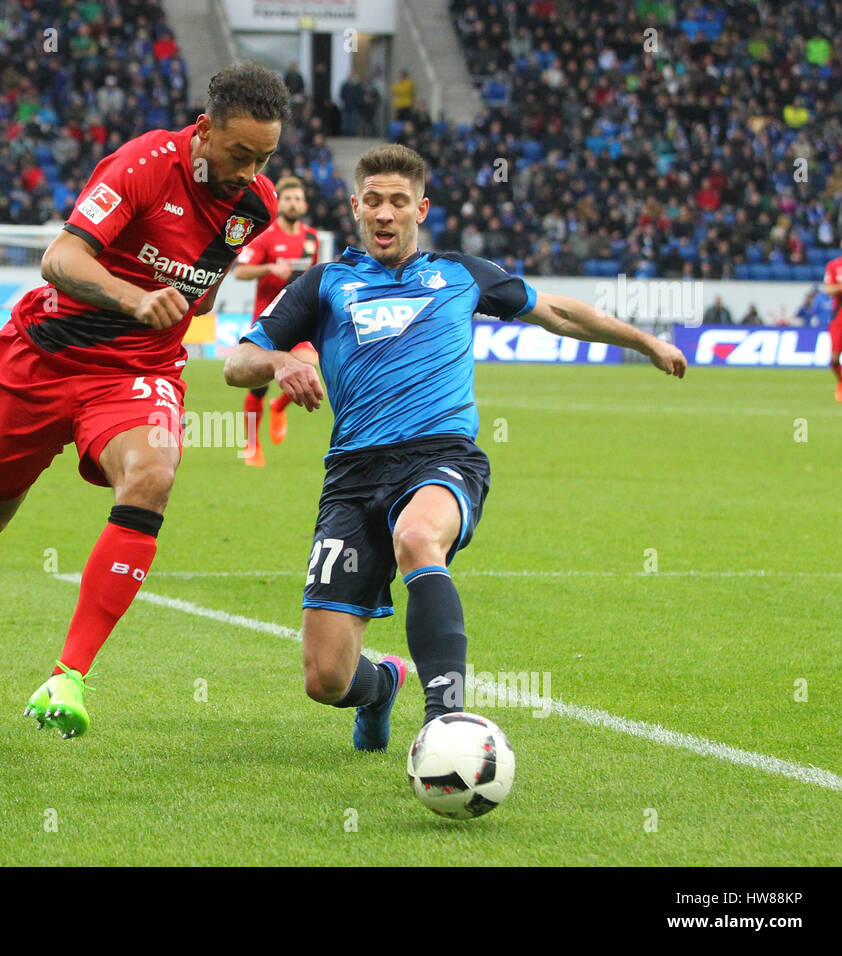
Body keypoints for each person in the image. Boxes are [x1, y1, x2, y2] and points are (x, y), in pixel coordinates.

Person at [224, 144, 686, 752]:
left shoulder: (460, 274)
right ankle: (383, 685)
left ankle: (446, 726)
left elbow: (559, 313)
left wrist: (645, 341)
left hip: (440, 455)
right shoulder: (326, 283)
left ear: (421, 207)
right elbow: (237, 362)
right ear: (356, 206)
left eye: (398, 202)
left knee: (418, 537)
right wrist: (281, 360)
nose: (385, 214)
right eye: (374, 202)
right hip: (353, 474)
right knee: (326, 678)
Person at [0, 62, 289, 739]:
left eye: (264, 158)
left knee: (153, 472)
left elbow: (207, 281)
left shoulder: (256, 205)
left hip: (137, 370)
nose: (249, 170)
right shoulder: (140, 164)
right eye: (239, 153)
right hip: (42, 360)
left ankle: (67, 676)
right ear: (204, 130)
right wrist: (137, 296)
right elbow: (61, 259)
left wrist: (184, 309)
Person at [232, 175, 319, 465]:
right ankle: (252, 445)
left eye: (298, 198)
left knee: (309, 364)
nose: (294, 203)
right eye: (289, 198)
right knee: (258, 385)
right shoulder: (265, 236)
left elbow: (313, 276)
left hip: (300, 319)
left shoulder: (311, 238)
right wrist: (270, 267)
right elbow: (240, 272)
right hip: (267, 320)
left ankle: (279, 406)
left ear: (304, 204)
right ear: (281, 203)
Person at [820, 231, 842, 403]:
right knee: (834, 358)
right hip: (839, 318)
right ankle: (841, 381)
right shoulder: (834, 266)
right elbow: (828, 289)